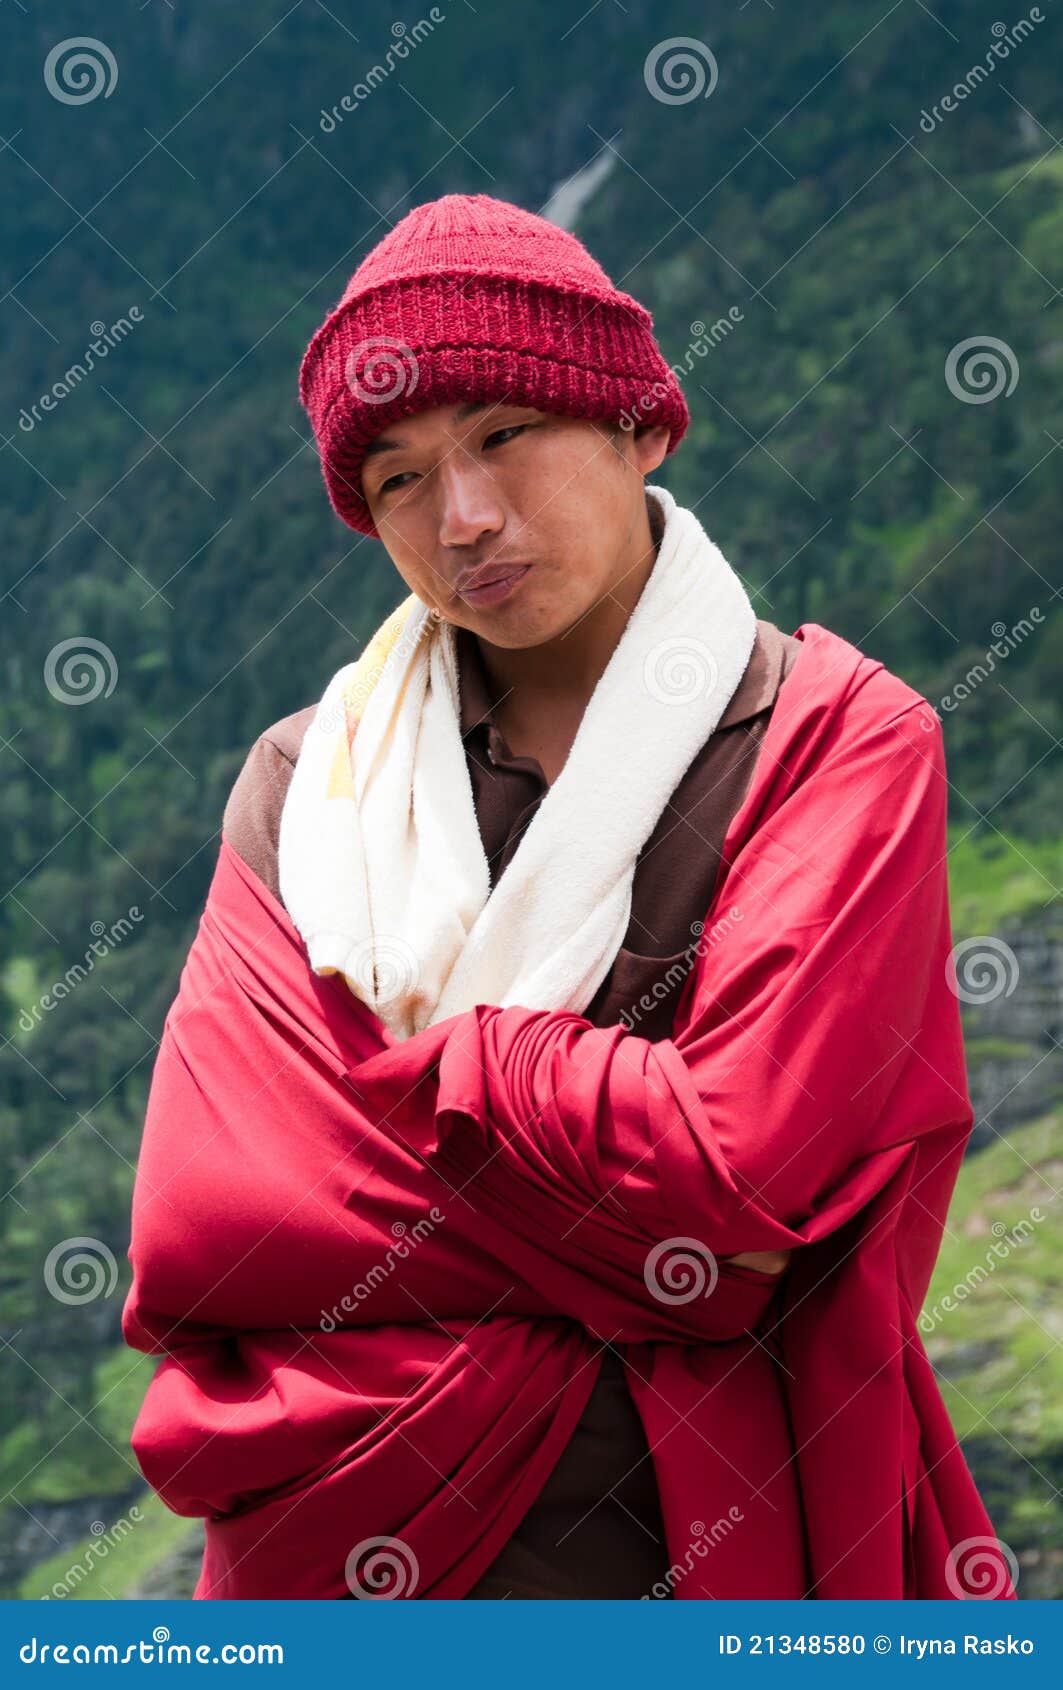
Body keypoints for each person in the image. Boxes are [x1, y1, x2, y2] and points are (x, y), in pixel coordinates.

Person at [122, 193, 1014, 1602]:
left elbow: (740, 1188)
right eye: (399, 478)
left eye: (501, 435)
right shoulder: (309, 788)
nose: (463, 518)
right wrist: (626, 1174)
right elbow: (211, 1219)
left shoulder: (839, 741)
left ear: (638, 426)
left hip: (714, 1556)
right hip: (350, 1564)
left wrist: (457, 1074)